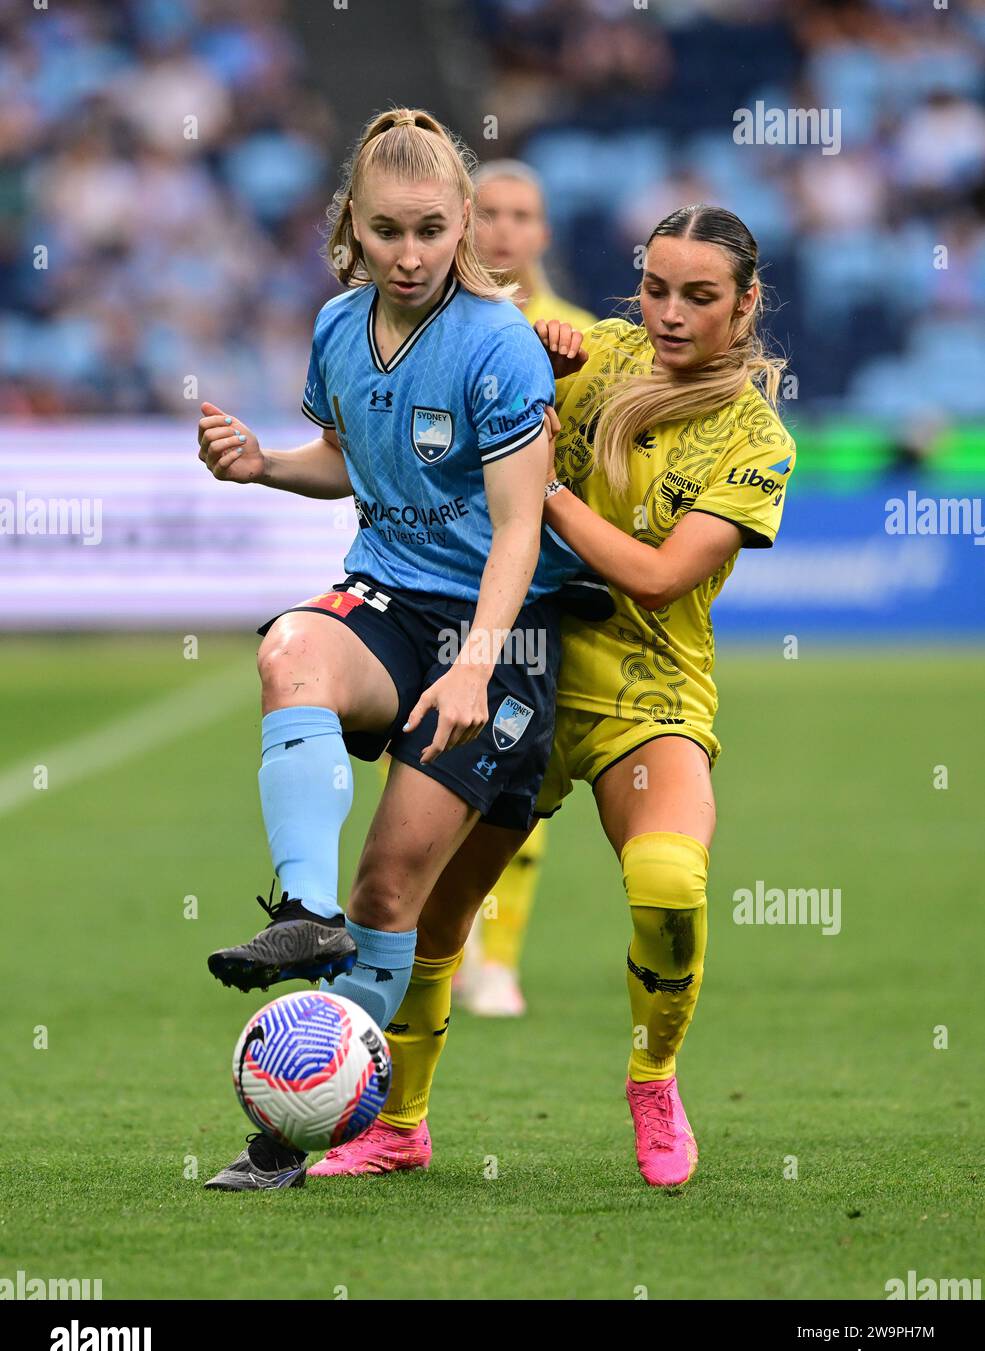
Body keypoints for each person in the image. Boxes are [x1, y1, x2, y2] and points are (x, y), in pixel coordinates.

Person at [307, 204, 795, 1188]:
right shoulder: (594, 357)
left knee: (668, 881)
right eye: (655, 288)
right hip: (511, 667)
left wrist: (535, 480)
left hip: (644, 688)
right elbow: (468, 381)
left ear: (745, 304)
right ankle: (399, 1123)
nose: (667, 312)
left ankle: (653, 1077)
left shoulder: (756, 436)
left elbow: (657, 577)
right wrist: (532, 363)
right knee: (431, 916)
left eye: (697, 296)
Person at [197, 107, 601, 1192]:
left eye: (430, 229)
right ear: (353, 231)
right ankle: (301, 915)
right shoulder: (337, 326)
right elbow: (343, 456)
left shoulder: (499, 341)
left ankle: (295, 1130)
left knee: (395, 895)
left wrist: (474, 661)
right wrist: (263, 466)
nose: (410, 253)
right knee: (290, 648)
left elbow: (521, 524)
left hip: (498, 633)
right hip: (387, 596)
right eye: (387, 232)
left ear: (464, 224)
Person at [455, 160, 597, 1018]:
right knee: (436, 761)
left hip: (538, 583)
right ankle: (443, 929)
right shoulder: (439, 326)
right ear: (467, 225)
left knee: (523, 767)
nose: (505, 230)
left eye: (522, 215)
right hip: (444, 576)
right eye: (490, 213)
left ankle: (495, 956)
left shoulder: (586, 335)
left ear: (542, 233)